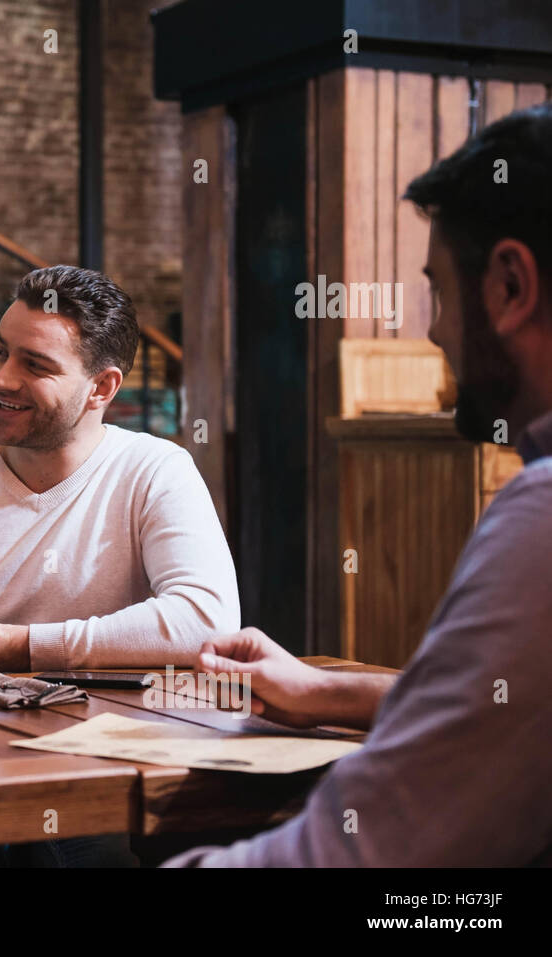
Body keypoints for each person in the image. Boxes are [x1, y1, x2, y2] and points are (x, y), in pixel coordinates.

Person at [165, 103, 552, 867]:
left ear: (511, 286)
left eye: (439, 292)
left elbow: (358, 854)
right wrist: (325, 690)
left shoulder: (541, 518)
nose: (434, 331)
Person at [0, 264, 240, 867]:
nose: (2, 378)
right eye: (1, 351)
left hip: (96, 764)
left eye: (36, 365)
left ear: (101, 388)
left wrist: (15, 645)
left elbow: (206, 621)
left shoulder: (156, 471)